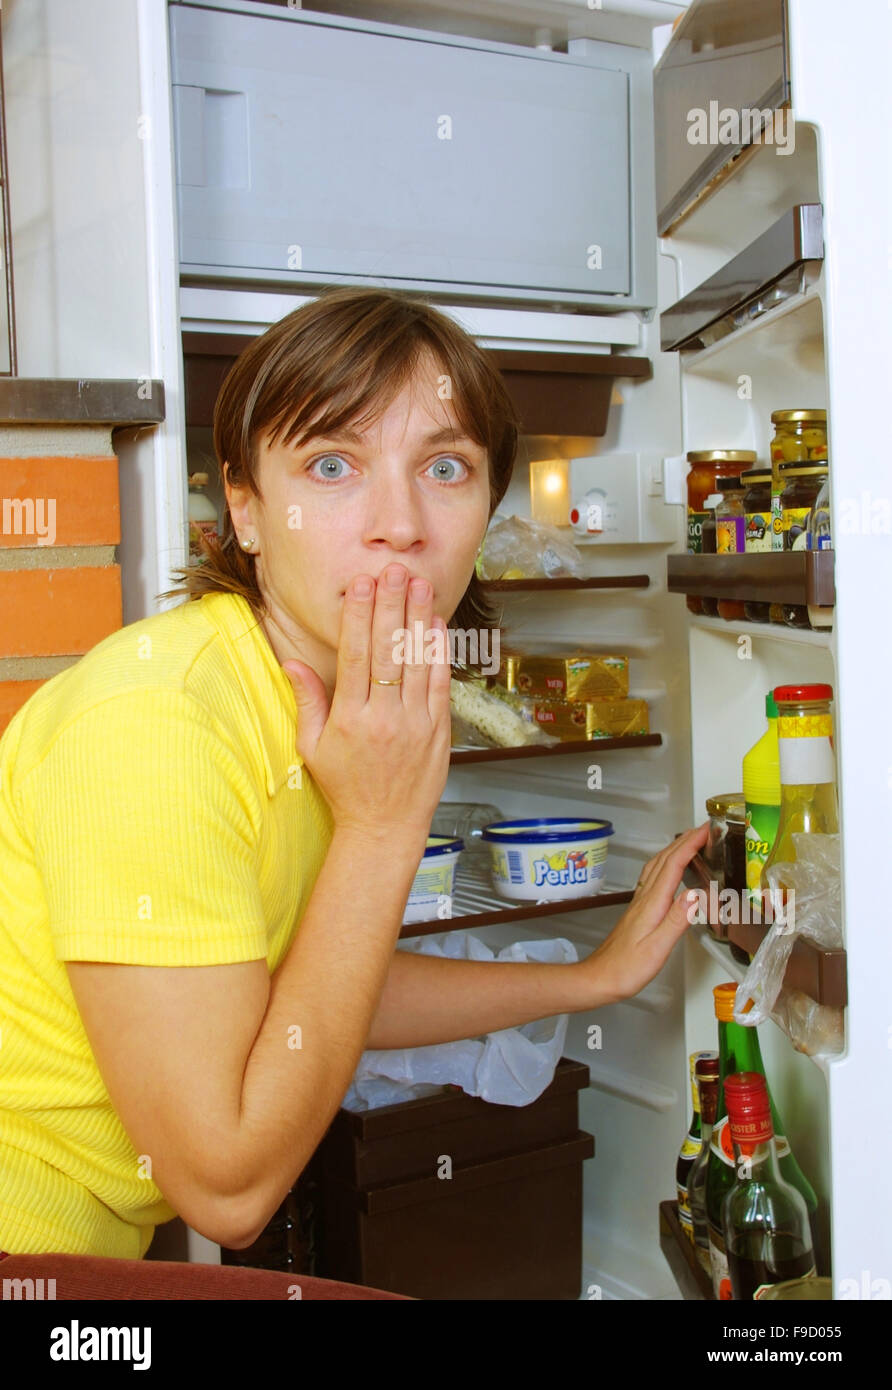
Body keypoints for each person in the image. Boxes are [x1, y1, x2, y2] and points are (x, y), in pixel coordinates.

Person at [0, 287, 708, 1263]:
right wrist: (379, 826)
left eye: (445, 467)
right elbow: (227, 1188)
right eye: (333, 465)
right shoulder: (160, 722)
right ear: (245, 510)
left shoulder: (318, 701)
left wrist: (590, 980)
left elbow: (310, 989)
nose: (399, 524)